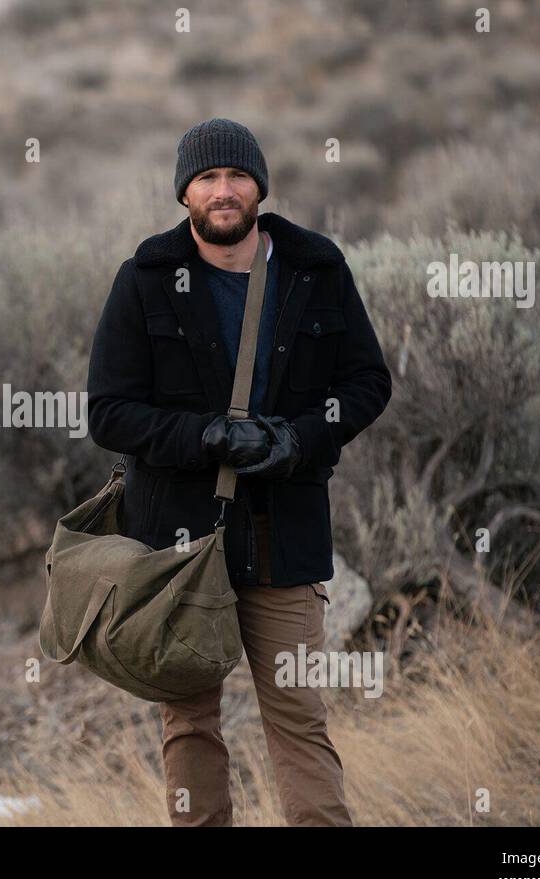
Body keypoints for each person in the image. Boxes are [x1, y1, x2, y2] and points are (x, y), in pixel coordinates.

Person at [85, 117, 392, 826]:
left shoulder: (317, 269)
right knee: (190, 724)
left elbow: (368, 384)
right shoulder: (145, 279)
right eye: (207, 178)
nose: (223, 191)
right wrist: (206, 435)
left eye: (236, 176)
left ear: (259, 184)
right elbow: (109, 413)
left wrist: (297, 439)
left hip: (285, 536)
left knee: (300, 718)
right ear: (184, 192)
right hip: (180, 550)